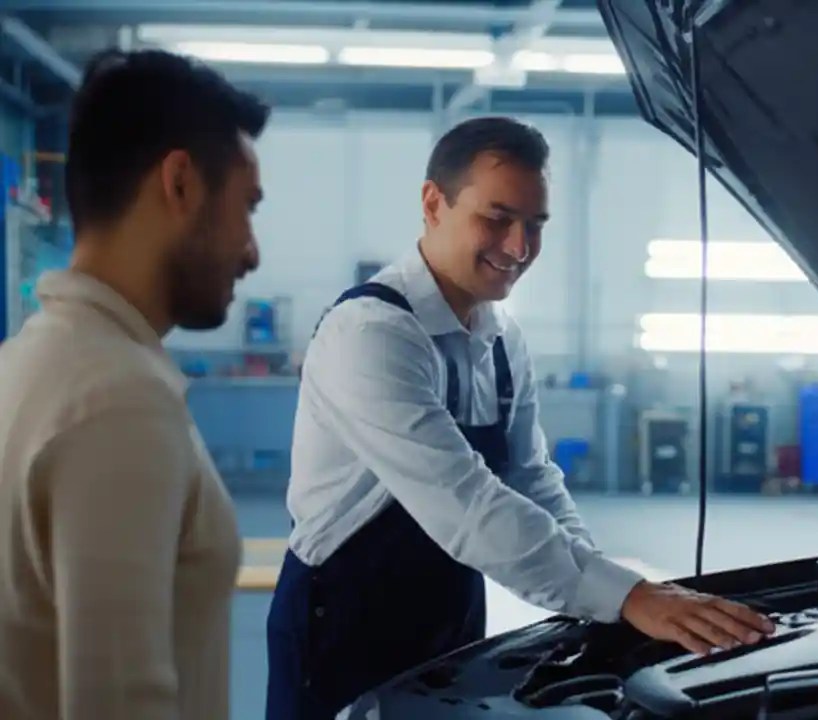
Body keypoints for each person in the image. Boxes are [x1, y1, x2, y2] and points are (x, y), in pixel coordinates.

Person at [266, 117, 775, 718]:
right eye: (497, 217)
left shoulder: (501, 340)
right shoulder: (372, 335)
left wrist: (605, 596)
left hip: (448, 620)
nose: (520, 247)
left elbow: (532, 479)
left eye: (535, 225)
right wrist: (626, 594)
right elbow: (467, 503)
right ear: (434, 203)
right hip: (341, 628)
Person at [0, 49, 268, 719]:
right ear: (180, 184)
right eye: (247, 206)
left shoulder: (27, 363)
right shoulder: (118, 400)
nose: (252, 250)